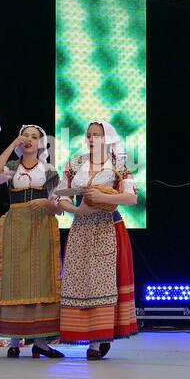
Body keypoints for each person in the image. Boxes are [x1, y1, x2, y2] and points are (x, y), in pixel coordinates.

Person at [53, 121, 138, 360]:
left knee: (102, 282)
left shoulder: (119, 165)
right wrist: (77, 211)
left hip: (107, 227)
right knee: (79, 280)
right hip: (81, 227)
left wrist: (102, 196)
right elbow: (61, 197)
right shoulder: (76, 163)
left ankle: (98, 340)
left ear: (107, 138)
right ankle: (83, 332)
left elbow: (132, 198)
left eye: (97, 135)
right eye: (89, 135)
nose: (92, 139)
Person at [0, 125, 63, 358]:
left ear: (41, 143)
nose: (29, 139)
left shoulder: (48, 170)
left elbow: (59, 207)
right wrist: (12, 144)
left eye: (34, 136)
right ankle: (14, 341)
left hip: (41, 226)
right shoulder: (11, 168)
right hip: (16, 227)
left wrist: (46, 204)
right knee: (15, 277)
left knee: (40, 279)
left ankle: (40, 341)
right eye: (25, 135)